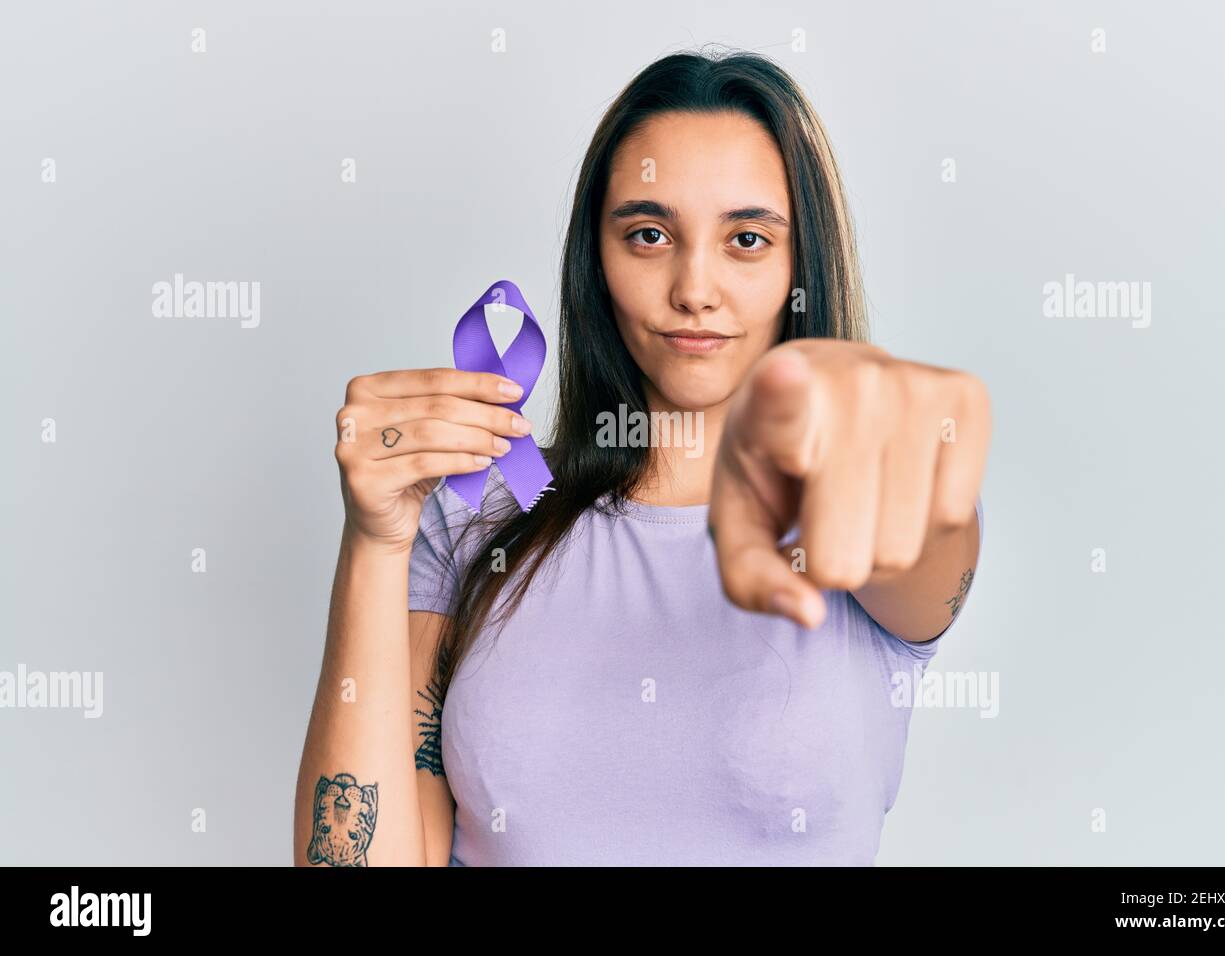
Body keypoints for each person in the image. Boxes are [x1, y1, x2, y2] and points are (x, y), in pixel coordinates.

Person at [295, 48, 990, 867]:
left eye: (747, 239)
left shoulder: (875, 502)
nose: (695, 287)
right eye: (650, 234)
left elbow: (911, 528)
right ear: (597, 258)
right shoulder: (479, 508)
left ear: (802, 265)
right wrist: (374, 541)